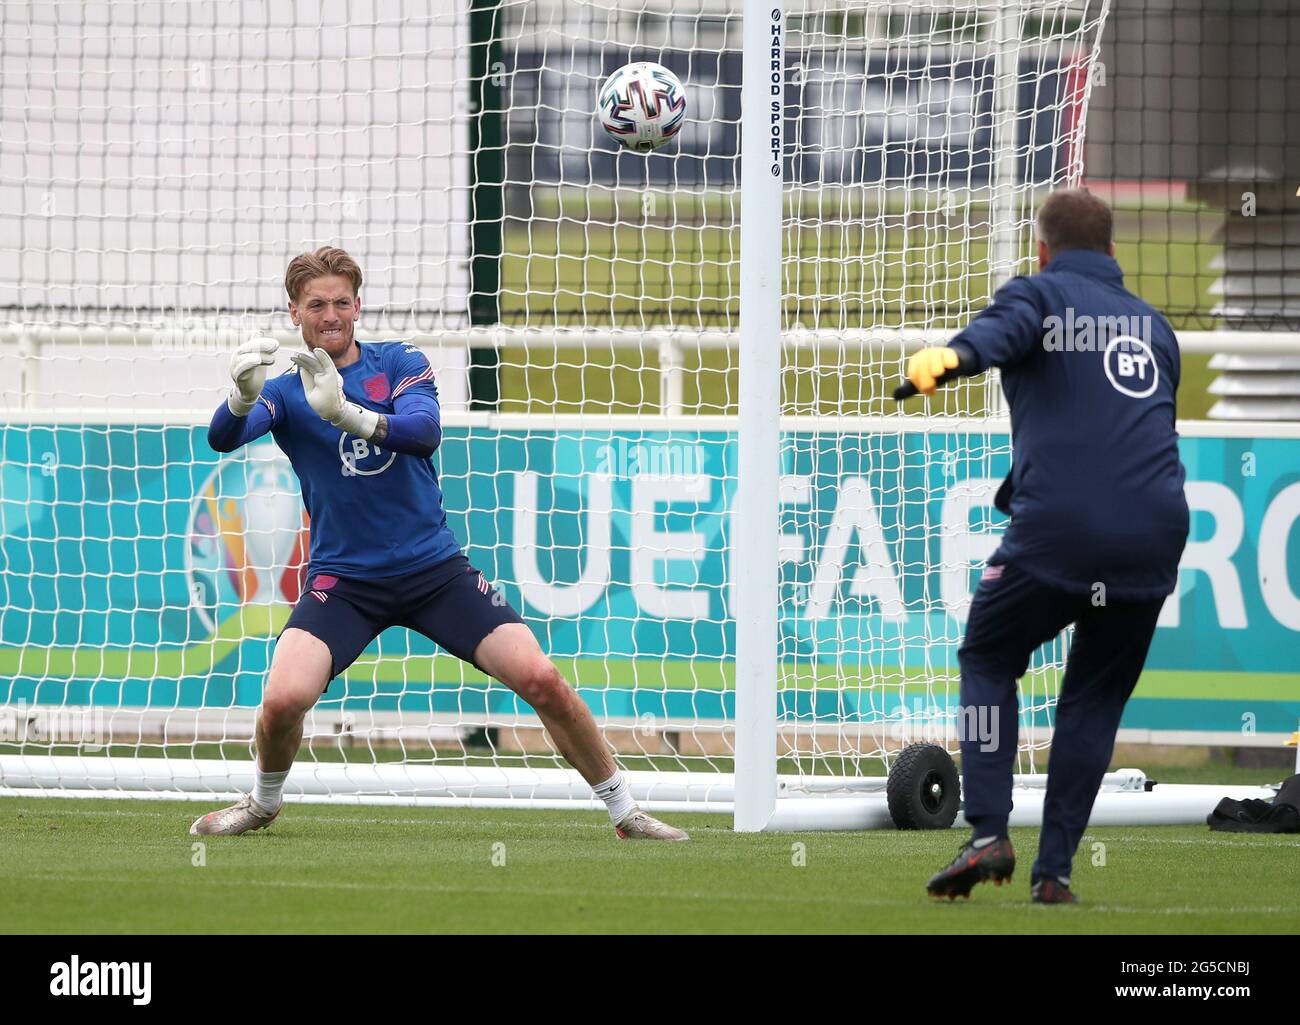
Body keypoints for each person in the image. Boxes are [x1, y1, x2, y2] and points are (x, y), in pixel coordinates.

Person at [191, 245, 687, 841]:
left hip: (433, 572)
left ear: (358, 305)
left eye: (342, 302)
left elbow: (424, 434)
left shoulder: (398, 361)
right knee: (281, 700)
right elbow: (225, 438)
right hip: (344, 581)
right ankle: (263, 803)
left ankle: (626, 811)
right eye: (316, 304)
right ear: (294, 311)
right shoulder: (287, 390)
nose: (331, 315)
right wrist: (241, 396)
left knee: (541, 680)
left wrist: (348, 413)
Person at [904, 189, 1189, 903]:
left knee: (989, 654)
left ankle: (988, 831)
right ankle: (1055, 873)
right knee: (1092, 699)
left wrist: (945, 359)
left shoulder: (1039, 295)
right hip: (1156, 530)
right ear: (1114, 253)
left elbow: (990, 341)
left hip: (1061, 526)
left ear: (1041, 249)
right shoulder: (1154, 327)